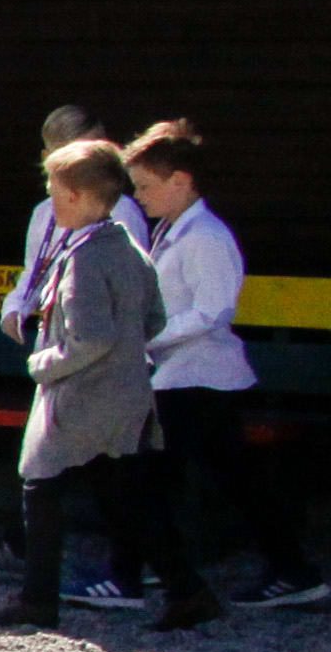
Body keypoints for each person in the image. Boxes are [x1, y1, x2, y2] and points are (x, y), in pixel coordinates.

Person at [0, 139, 195, 631]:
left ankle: (37, 600)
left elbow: (89, 339)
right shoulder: (128, 247)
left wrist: (41, 363)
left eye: (53, 190)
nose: (50, 200)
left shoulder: (85, 257)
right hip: (125, 397)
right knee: (128, 498)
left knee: (41, 488)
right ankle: (189, 590)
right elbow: (153, 320)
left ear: (73, 194)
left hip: (80, 399)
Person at [124, 122, 323, 614]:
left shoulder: (206, 236)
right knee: (237, 482)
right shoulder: (174, 229)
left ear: (181, 180)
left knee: (145, 480)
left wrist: (147, 339)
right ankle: (290, 570)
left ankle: (156, 577)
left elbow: (213, 311)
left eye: (146, 185)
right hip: (190, 378)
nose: (138, 197)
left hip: (197, 380)